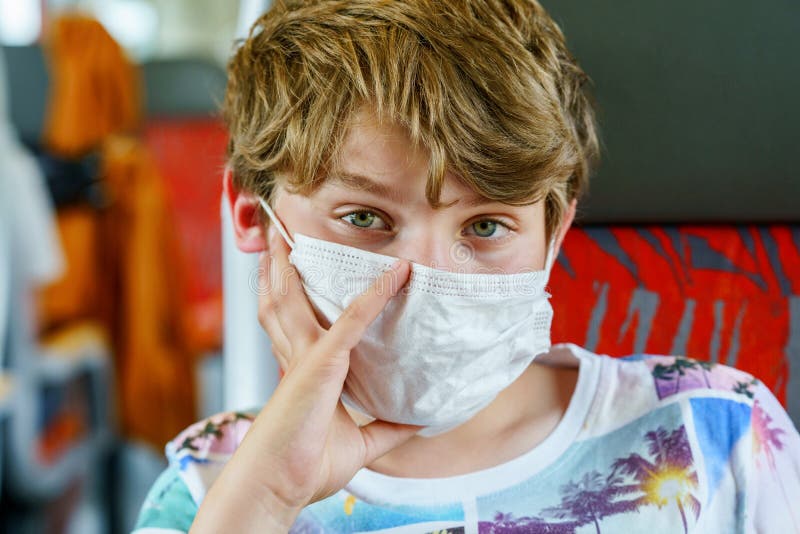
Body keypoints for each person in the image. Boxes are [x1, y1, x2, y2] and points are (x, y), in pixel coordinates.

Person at [134, 1, 800, 532]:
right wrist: (268, 496)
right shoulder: (212, 488)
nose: (424, 279)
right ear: (253, 216)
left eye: (485, 226)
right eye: (365, 218)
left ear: (553, 232)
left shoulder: (719, 434)